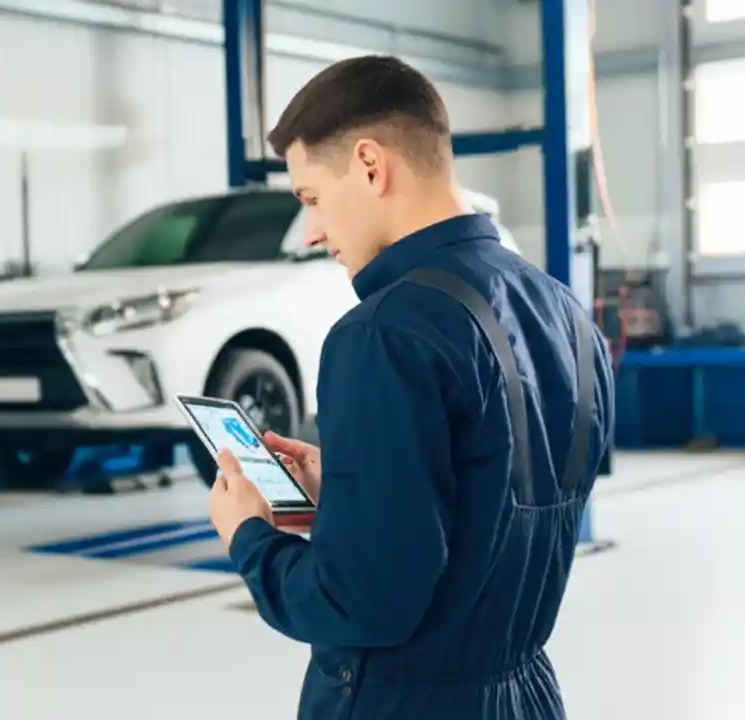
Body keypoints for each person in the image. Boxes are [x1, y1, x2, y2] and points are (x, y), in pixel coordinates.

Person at [206, 55, 615, 719]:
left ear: (370, 165)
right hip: (528, 695)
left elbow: (359, 603)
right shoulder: (566, 313)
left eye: (311, 198)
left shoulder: (383, 333)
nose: (312, 231)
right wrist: (346, 490)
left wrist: (249, 535)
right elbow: (489, 516)